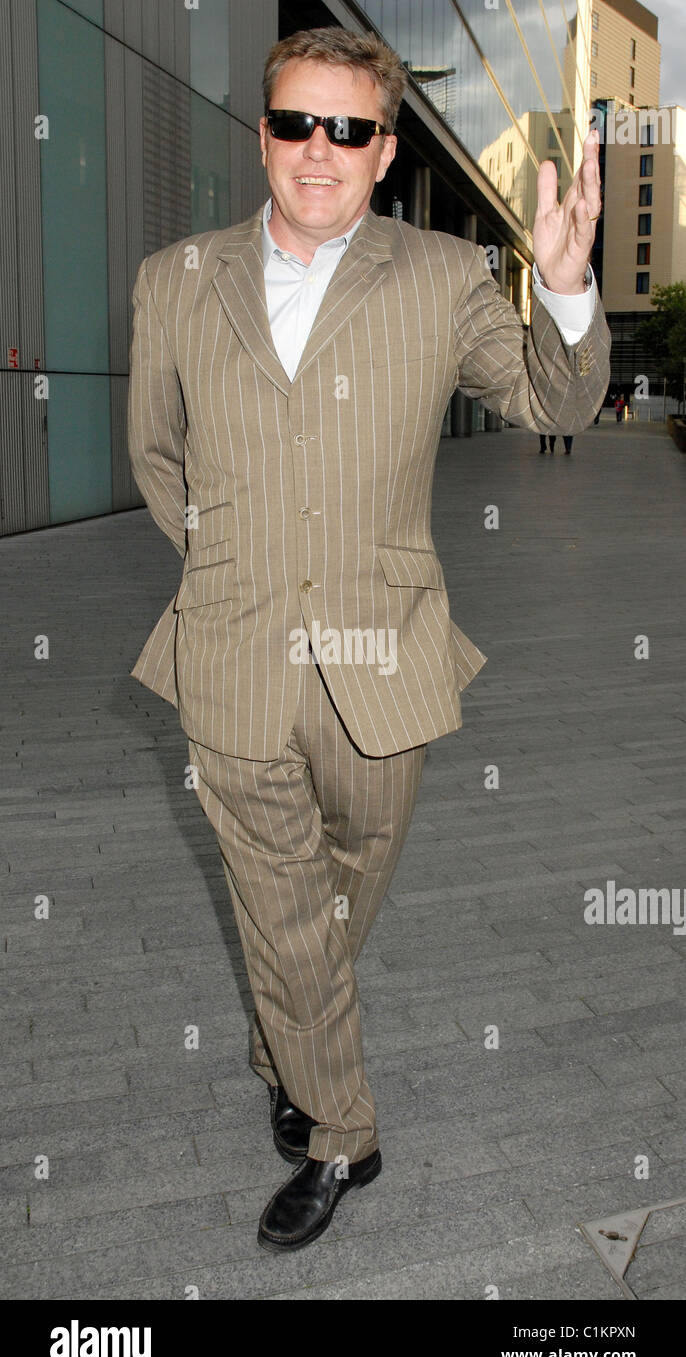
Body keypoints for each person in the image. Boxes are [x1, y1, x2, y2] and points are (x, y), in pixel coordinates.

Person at [127, 26, 610, 1253]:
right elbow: (156, 456)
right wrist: (231, 569)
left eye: (347, 129)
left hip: (381, 659)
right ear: (264, 133)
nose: (317, 151)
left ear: (386, 149)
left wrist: (559, 284)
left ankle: (281, 1038)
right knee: (282, 905)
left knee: (341, 899)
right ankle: (342, 1132)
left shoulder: (443, 277)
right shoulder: (175, 279)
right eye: (295, 122)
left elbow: (553, 402)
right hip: (231, 658)